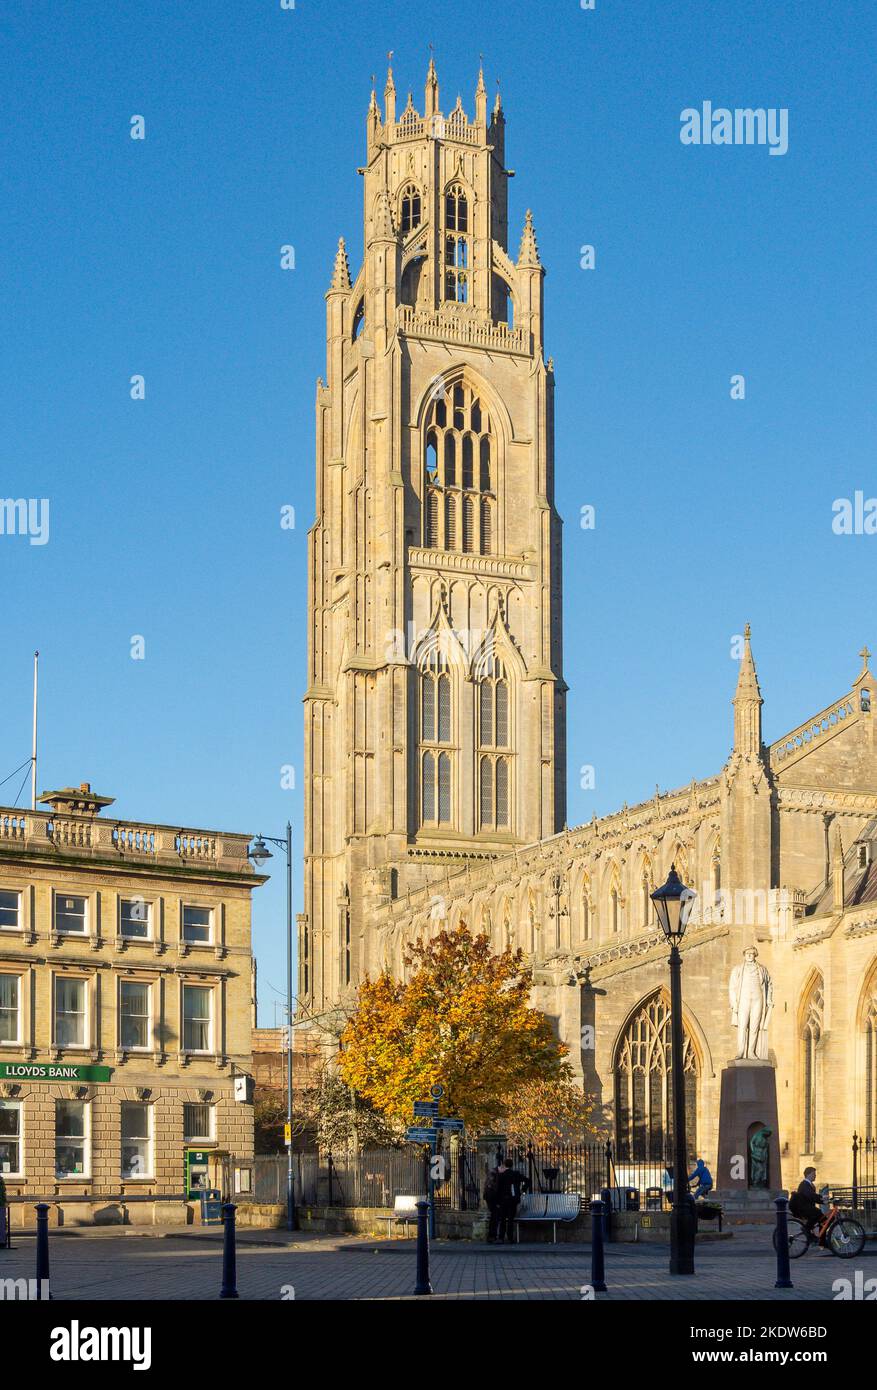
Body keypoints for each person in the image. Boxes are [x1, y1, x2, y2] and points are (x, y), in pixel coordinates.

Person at [496, 1156, 526, 1243]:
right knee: (510, 1219)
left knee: (502, 1219)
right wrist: (522, 1190)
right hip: (513, 1199)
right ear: (512, 1165)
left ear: (505, 1165)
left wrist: (497, 1201)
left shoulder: (502, 1175)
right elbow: (527, 1180)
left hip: (503, 1199)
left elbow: (498, 1189)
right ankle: (510, 1237)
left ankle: (501, 1237)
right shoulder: (515, 1174)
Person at [789, 1166, 824, 1237]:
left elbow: (812, 1196)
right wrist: (822, 1198)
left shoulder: (809, 1184)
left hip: (807, 1207)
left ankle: (816, 1236)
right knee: (818, 1213)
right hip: (802, 1208)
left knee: (820, 1217)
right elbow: (810, 1195)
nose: (815, 1176)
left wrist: (822, 1200)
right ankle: (806, 1229)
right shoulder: (804, 1184)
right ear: (809, 1174)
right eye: (814, 1174)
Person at [483, 1162, 501, 1242]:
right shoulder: (494, 1176)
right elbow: (495, 1191)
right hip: (492, 1200)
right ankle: (492, 1235)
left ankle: (491, 1235)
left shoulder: (489, 1177)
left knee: (493, 1218)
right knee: (495, 1218)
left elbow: (486, 1192)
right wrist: (497, 1202)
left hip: (489, 1199)